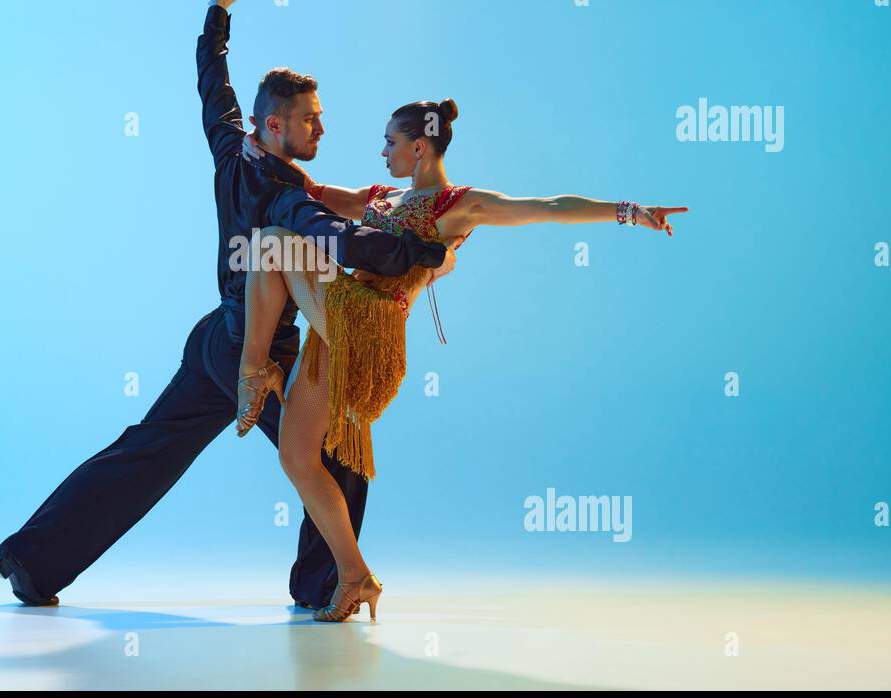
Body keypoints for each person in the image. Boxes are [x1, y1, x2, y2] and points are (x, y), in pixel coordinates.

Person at [0, 0, 455, 609]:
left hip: (216, 338)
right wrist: (424, 251)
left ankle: (32, 563)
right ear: (274, 123)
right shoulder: (287, 196)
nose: (322, 129)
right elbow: (343, 243)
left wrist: (216, 17)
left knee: (148, 450)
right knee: (340, 457)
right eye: (311, 121)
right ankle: (327, 588)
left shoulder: (232, 150)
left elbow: (214, 85)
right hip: (261, 350)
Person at [237, 98, 687, 622]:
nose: (382, 151)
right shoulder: (381, 199)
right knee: (296, 458)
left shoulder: (459, 204)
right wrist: (249, 145)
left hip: (368, 321)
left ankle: (257, 368)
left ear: (419, 146)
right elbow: (305, 193)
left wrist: (630, 212)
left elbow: (547, 206)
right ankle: (356, 576)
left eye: (390, 142)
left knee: (272, 243)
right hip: (332, 325)